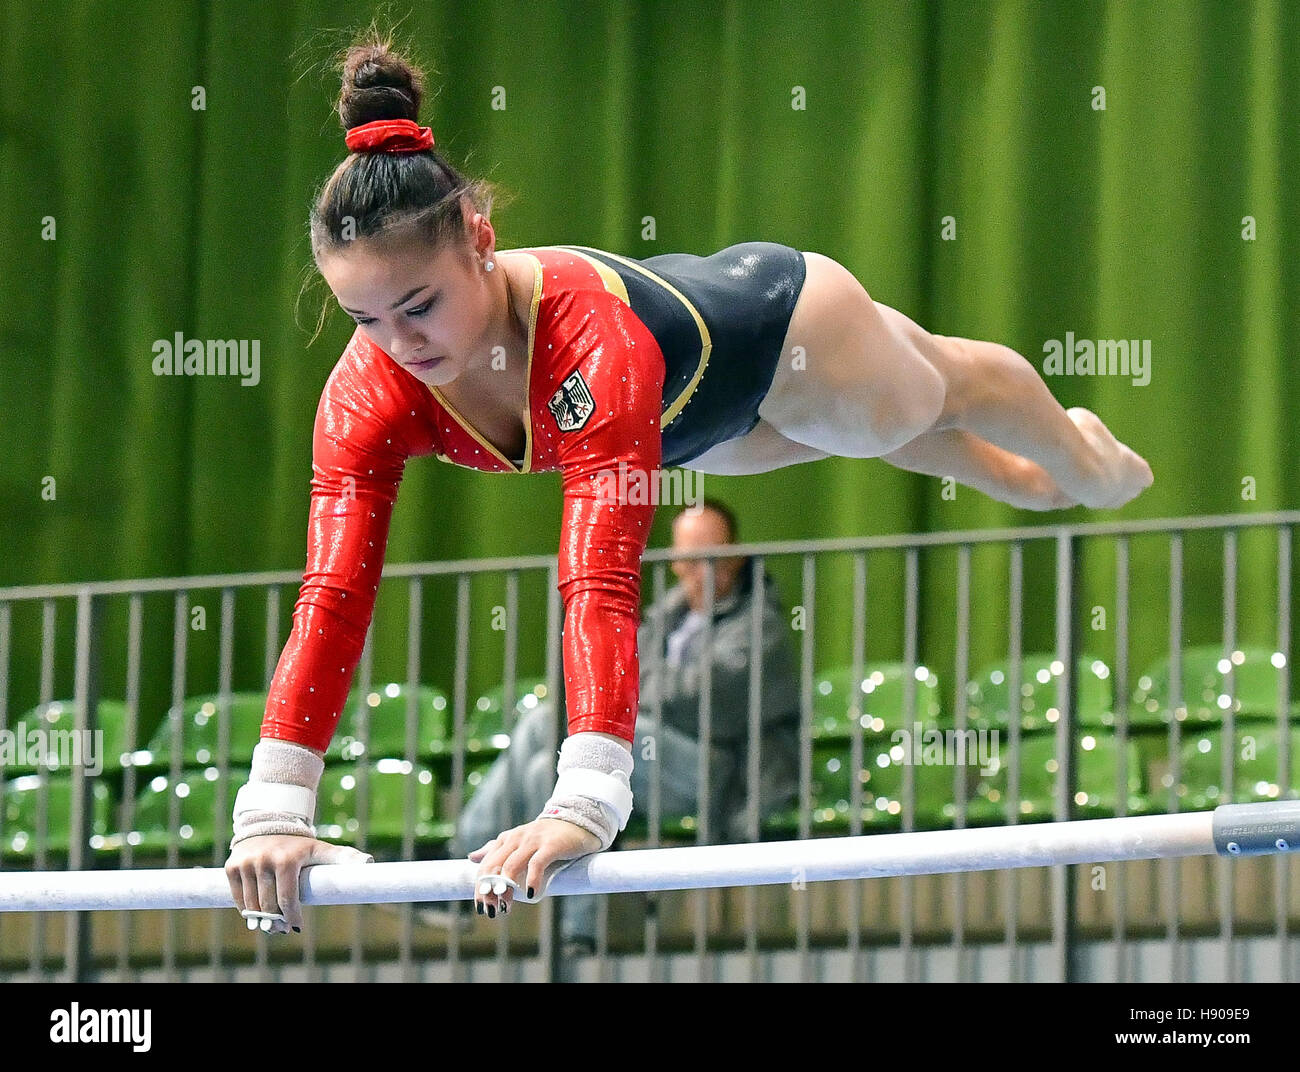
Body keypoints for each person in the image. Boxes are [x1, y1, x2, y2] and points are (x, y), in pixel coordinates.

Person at [224, 35, 1153, 934]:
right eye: (363, 317)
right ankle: (1039, 481)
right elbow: (334, 594)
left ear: (478, 238)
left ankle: (1081, 458)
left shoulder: (588, 337)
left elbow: (599, 581)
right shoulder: (367, 391)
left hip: (789, 337)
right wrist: (274, 809)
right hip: (695, 435)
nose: (400, 344)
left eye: (418, 305)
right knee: (904, 440)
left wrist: (585, 796)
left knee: (923, 403)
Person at [454, 499, 799, 946]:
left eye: (710, 555)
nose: (700, 569)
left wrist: (639, 689)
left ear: (735, 555)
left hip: (720, 772)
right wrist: (642, 688)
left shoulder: (760, 624)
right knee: (545, 754)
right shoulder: (666, 619)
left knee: (582, 728)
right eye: (688, 558)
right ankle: (570, 924)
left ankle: (461, 872)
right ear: (674, 562)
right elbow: (630, 677)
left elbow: (707, 701)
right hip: (650, 758)